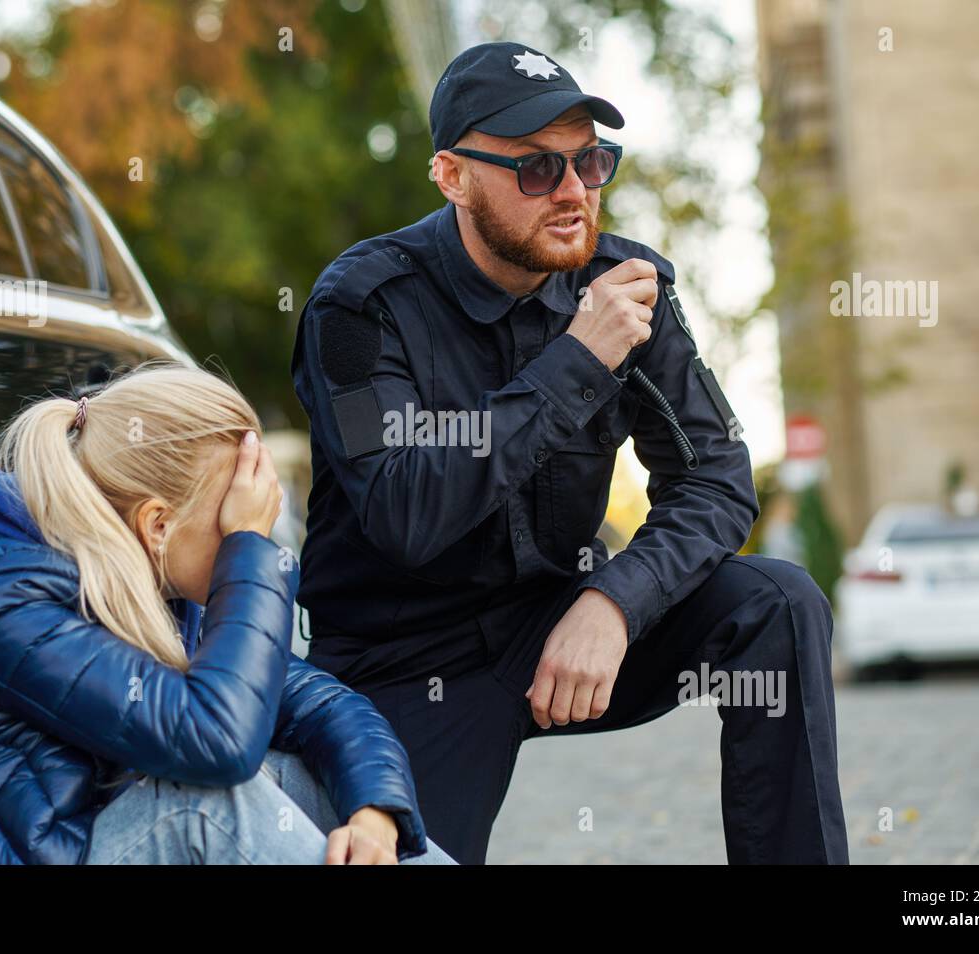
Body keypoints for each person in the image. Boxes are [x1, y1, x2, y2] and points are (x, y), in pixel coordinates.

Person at [291, 42, 849, 864]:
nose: (573, 193)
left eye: (590, 162)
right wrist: (577, 363)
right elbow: (407, 514)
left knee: (777, 602)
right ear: (451, 176)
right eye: (536, 169)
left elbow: (716, 478)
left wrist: (617, 600)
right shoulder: (361, 304)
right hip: (404, 661)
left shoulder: (628, 282)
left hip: (562, 624)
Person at [0, 364, 454, 865]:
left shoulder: (158, 582)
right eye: (234, 518)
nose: (254, 530)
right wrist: (250, 557)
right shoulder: (7, 596)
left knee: (300, 773)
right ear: (157, 524)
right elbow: (218, 743)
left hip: (66, 842)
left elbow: (323, 706)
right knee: (202, 807)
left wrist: (374, 814)